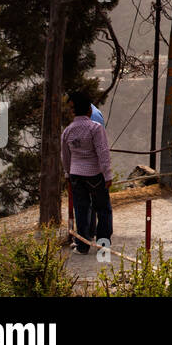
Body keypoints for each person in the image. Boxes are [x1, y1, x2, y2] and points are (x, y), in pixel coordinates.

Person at [60, 91, 112, 255]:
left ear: (73, 111)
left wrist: (68, 174)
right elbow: (103, 152)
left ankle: (82, 245)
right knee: (103, 209)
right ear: (90, 110)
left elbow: (65, 156)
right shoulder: (95, 128)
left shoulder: (67, 131)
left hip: (76, 175)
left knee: (81, 209)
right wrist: (108, 174)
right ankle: (103, 245)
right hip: (95, 174)